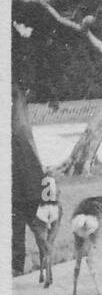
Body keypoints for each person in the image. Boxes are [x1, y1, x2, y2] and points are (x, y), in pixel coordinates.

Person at [11, 104, 44, 276]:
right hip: (31, 193)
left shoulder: (14, 141)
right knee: (36, 229)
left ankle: (17, 267)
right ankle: (44, 260)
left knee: (17, 232)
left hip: (20, 195)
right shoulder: (22, 138)